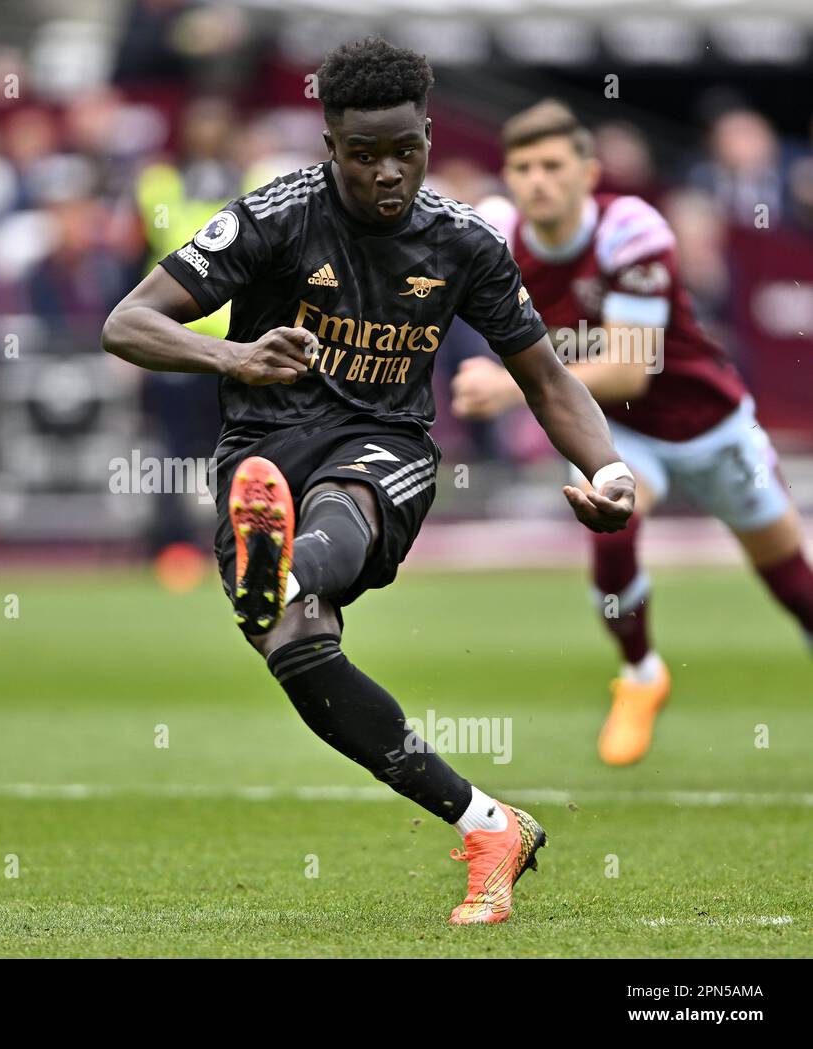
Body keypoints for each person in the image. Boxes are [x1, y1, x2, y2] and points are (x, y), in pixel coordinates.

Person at [103, 40, 635, 924]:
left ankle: (286, 565)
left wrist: (608, 470)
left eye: (405, 151)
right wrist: (237, 353)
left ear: (428, 136)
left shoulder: (464, 241)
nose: (387, 172)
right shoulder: (273, 219)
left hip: (385, 443)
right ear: (329, 146)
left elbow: (545, 375)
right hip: (263, 446)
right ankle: (488, 824)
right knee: (299, 654)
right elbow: (130, 321)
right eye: (363, 154)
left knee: (337, 510)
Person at [451, 99, 813, 766]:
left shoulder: (631, 229)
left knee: (793, 583)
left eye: (553, 165)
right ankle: (642, 674)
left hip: (706, 422)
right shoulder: (496, 230)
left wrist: (503, 385)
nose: (538, 180)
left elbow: (632, 368)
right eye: (523, 167)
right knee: (610, 521)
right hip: (612, 432)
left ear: (588, 173)